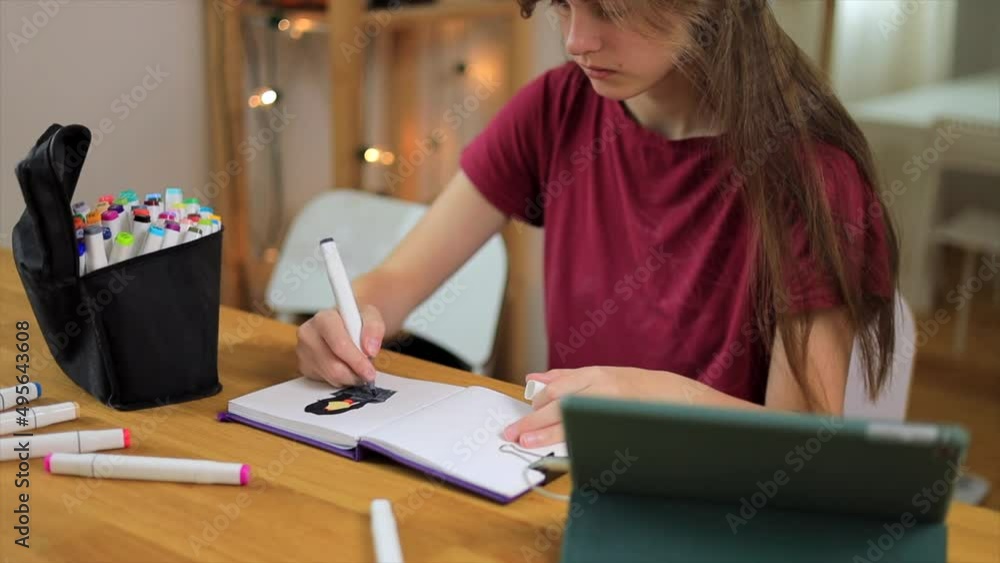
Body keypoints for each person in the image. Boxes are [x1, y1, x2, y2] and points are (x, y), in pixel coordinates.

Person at [296, 0, 898, 449]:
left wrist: (665, 398)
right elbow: (399, 280)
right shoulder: (556, 110)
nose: (578, 40)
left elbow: (807, 443)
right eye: (562, 4)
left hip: (720, 512)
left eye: (610, 8)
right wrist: (345, 326)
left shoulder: (812, 175)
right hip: (567, 478)